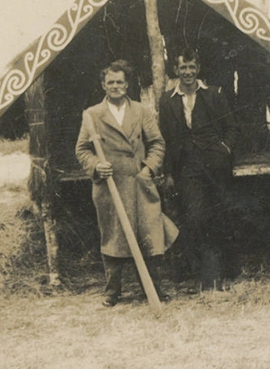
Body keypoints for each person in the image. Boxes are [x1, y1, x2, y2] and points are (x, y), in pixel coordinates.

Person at [76, 60, 178, 306]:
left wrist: (148, 169)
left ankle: (152, 287)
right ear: (103, 85)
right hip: (110, 186)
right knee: (113, 237)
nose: (115, 86)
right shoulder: (92, 115)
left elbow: (157, 143)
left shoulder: (142, 111)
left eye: (119, 82)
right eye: (110, 82)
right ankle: (112, 291)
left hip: (139, 184)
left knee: (149, 235)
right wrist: (95, 167)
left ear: (127, 84)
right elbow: (82, 149)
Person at [159, 49, 239, 291]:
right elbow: (165, 137)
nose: (188, 73)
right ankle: (207, 275)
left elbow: (232, 128)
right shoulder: (167, 99)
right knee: (196, 217)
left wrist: (224, 149)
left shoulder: (213, 94)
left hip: (215, 164)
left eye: (192, 67)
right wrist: (170, 173)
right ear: (175, 70)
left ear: (198, 68)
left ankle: (228, 271)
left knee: (221, 214)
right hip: (187, 166)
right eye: (183, 68)